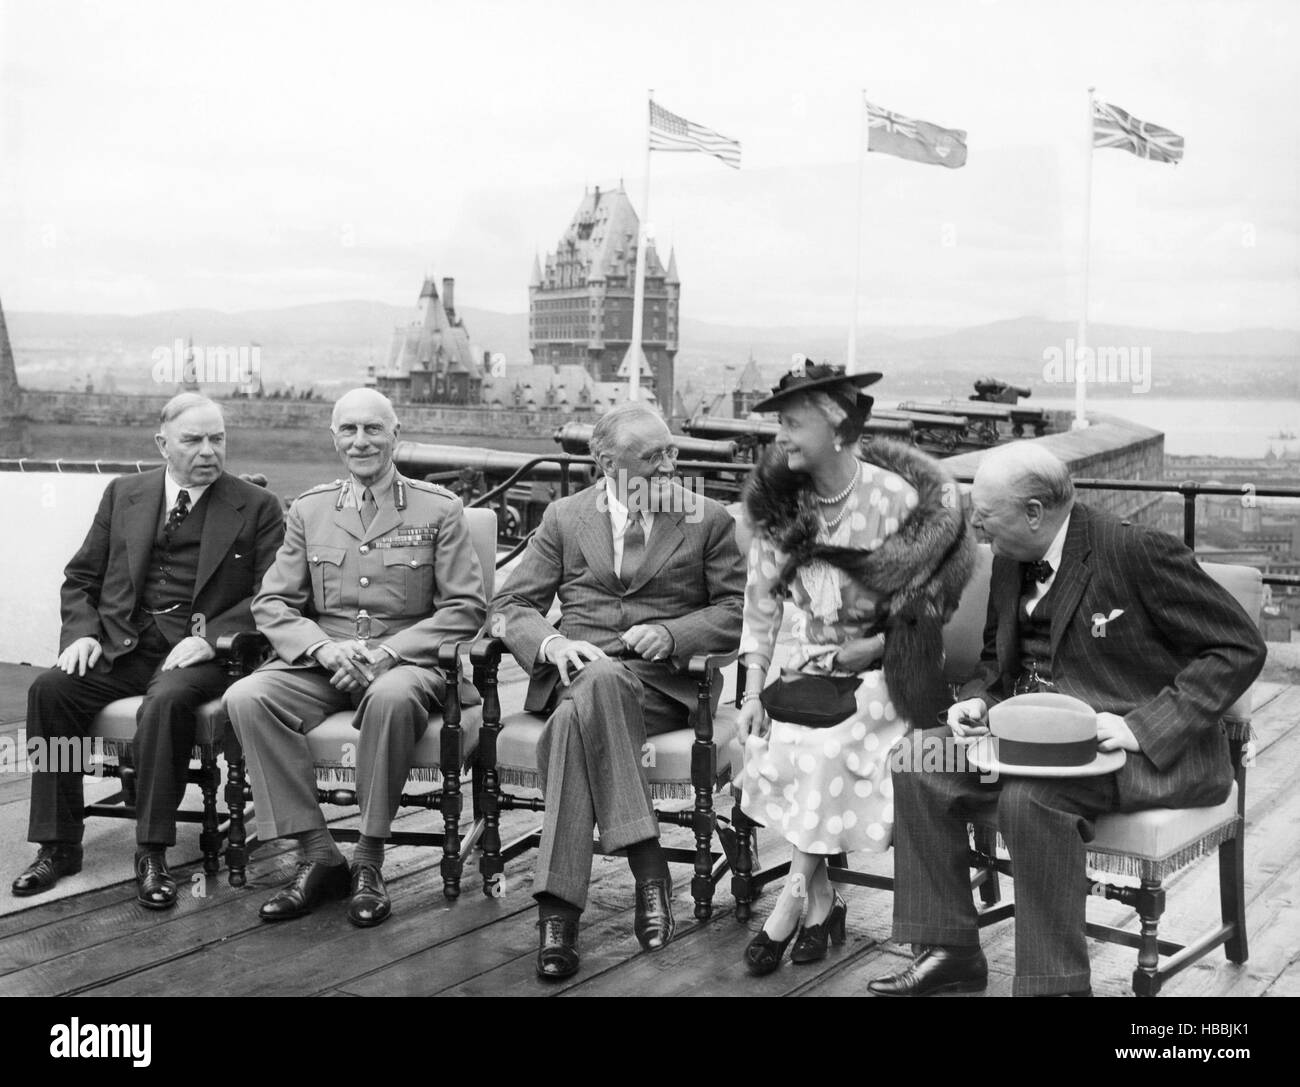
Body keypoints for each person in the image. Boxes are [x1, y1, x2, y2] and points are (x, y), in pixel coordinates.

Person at [868, 442, 1268, 997]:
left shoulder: (1136, 551)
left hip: (1127, 744)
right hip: (1025, 737)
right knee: (918, 762)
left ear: (1035, 512)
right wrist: (980, 700)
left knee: (1029, 798)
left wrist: (1141, 727)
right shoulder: (1010, 556)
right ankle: (949, 950)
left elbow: (1238, 647)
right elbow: (995, 659)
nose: (978, 531)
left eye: (985, 517)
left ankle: (1053, 986)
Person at [489, 400, 745, 980]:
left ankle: (558, 916)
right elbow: (509, 605)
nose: (669, 465)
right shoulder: (563, 518)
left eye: (671, 451)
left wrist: (673, 632)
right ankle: (648, 865)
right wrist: (552, 645)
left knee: (578, 717)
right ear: (607, 461)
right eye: (653, 456)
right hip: (578, 672)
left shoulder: (707, 518)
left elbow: (733, 613)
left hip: (659, 688)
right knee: (595, 685)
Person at [735, 360, 973, 974]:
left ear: (838, 430)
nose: (780, 438)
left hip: (888, 673)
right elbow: (760, 608)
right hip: (804, 674)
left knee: (828, 746)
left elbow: (929, 603)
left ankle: (788, 906)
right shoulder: (780, 506)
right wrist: (753, 689)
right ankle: (822, 904)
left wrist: (872, 650)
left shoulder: (897, 501)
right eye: (779, 425)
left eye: (793, 424)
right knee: (776, 737)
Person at [223, 388, 485, 928]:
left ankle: (367, 858)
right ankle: (320, 855)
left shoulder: (439, 508)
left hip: (407, 664)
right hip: (326, 662)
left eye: (372, 429)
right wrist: (321, 646)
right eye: (348, 431)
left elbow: (466, 608)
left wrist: (388, 652)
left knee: (390, 698)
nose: (360, 441)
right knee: (246, 695)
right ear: (334, 438)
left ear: (395, 433)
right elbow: (272, 602)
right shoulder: (310, 509)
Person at [13, 394, 285, 908]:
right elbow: (81, 578)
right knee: (50, 690)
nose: (209, 451)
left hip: (203, 655)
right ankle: (58, 844)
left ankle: (152, 850)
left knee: (165, 703)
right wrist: (83, 635)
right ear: (162, 444)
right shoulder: (124, 494)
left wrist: (210, 639)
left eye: (217, 438)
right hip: (122, 647)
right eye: (193, 440)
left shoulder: (256, 505)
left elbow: (274, 594)